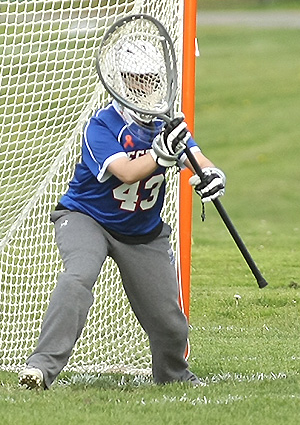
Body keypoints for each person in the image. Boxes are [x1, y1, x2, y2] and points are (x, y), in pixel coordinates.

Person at [18, 39, 227, 390]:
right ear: (123, 80)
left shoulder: (168, 126)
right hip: (87, 219)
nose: (145, 85)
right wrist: (161, 156)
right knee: (78, 277)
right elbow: (127, 173)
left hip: (143, 231)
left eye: (152, 77)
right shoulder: (102, 125)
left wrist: (212, 176)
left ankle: (174, 378)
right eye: (137, 78)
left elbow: (197, 160)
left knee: (169, 321)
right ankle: (40, 368)